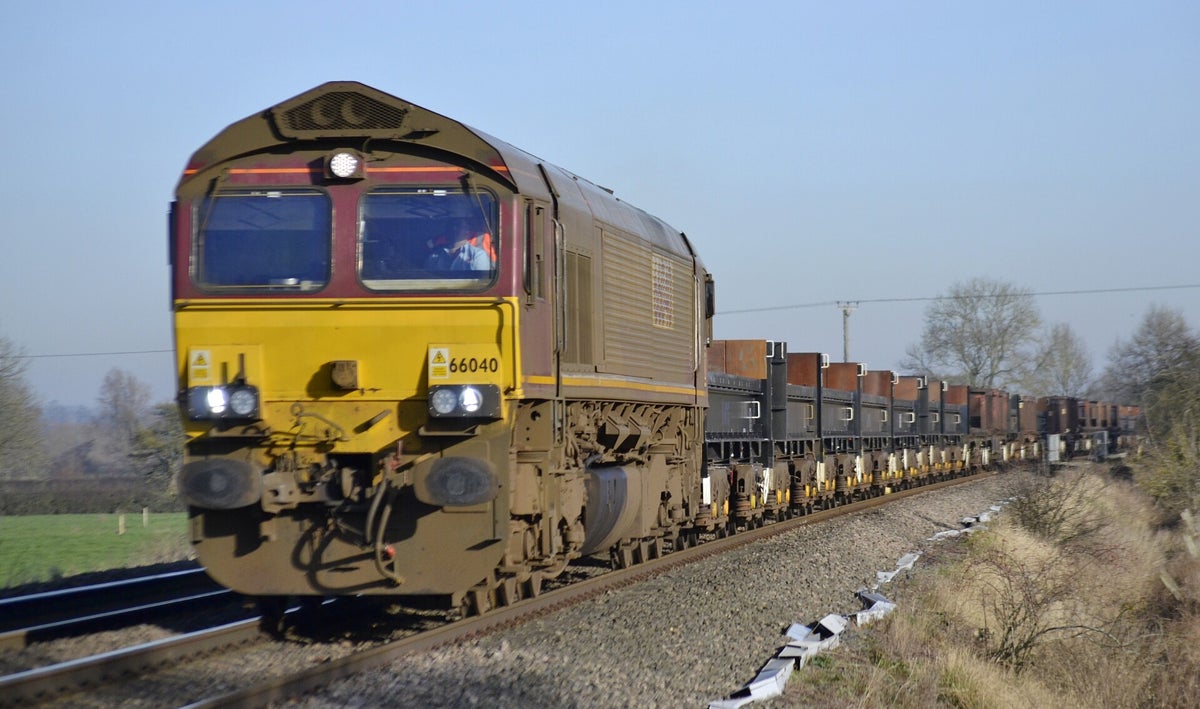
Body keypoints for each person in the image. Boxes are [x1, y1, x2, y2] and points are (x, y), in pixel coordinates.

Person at [424, 224, 494, 272]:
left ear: (467, 232)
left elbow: (481, 282)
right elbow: (426, 278)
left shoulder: (478, 255)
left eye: (460, 226)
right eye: (452, 226)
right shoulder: (435, 255)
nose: (454, 229)